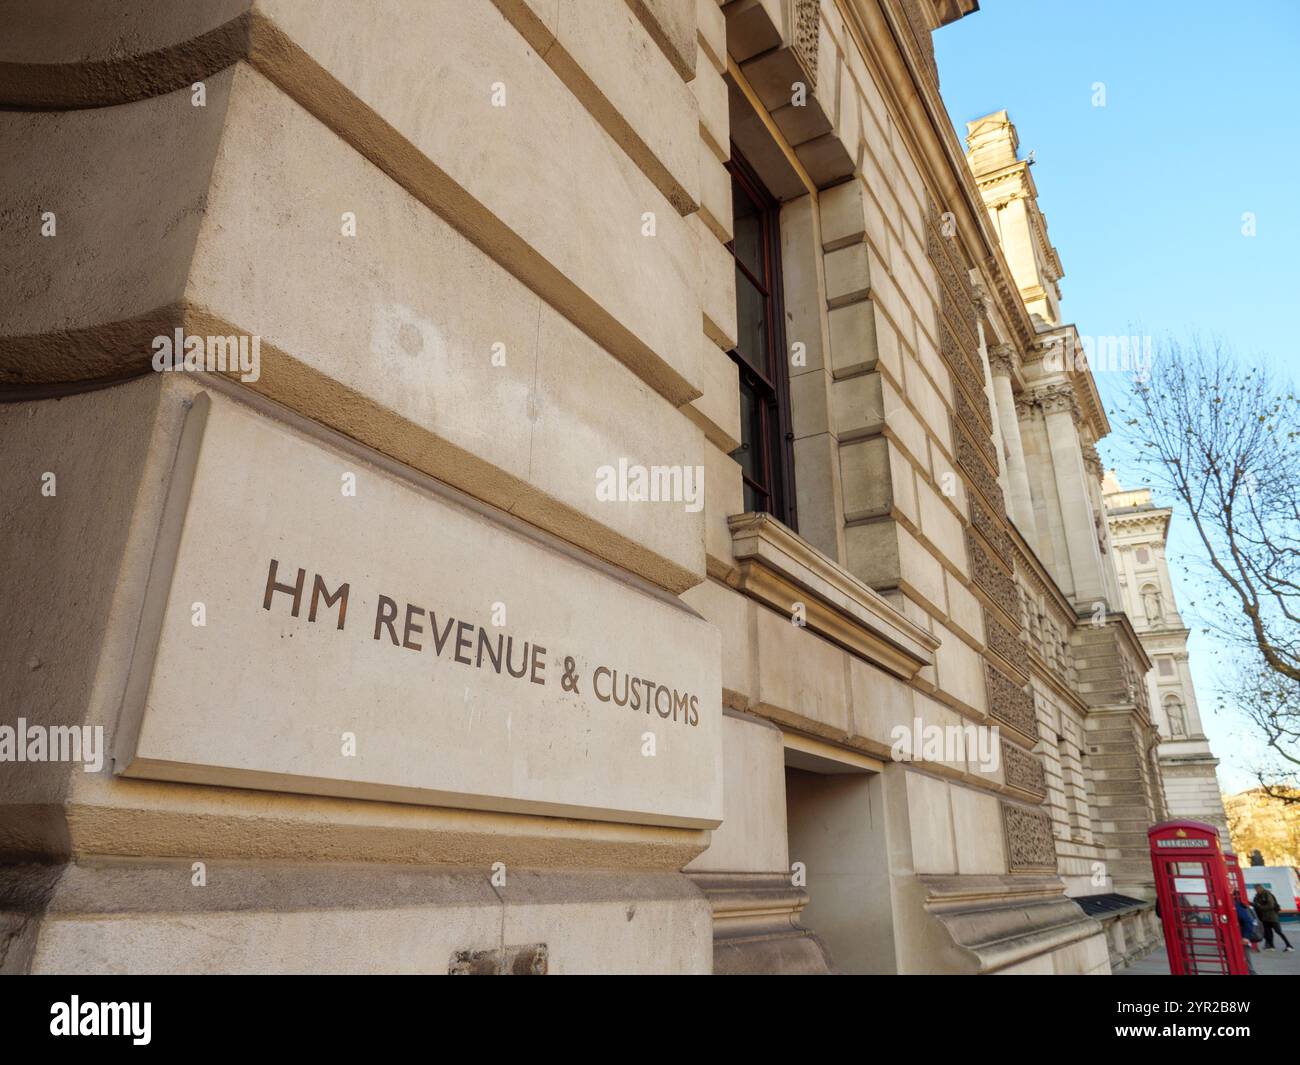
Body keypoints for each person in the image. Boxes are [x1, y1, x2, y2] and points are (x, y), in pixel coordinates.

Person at [1252, 886, 1295, 951]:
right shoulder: (1257, 896)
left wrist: (1260, 907)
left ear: (1261, 888)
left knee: (1278, 931)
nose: (1256, 890)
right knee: (1268, 933)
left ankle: (1289, 946)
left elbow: (1271, 905)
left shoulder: (1267, 894)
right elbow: (1256, 905)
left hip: (1272, 917)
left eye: (1257, 889)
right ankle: (1271, 946)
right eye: (1255, 889)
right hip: (1264, 918)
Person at [1235, 898, 1259, 974]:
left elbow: (1248, 921)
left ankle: (1251, 972)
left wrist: (1245, 937)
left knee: (1245, 957)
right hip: (1240, 935)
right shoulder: (1238, 905)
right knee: (1245, 957)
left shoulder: (1236, 906)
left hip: (1242, 936)